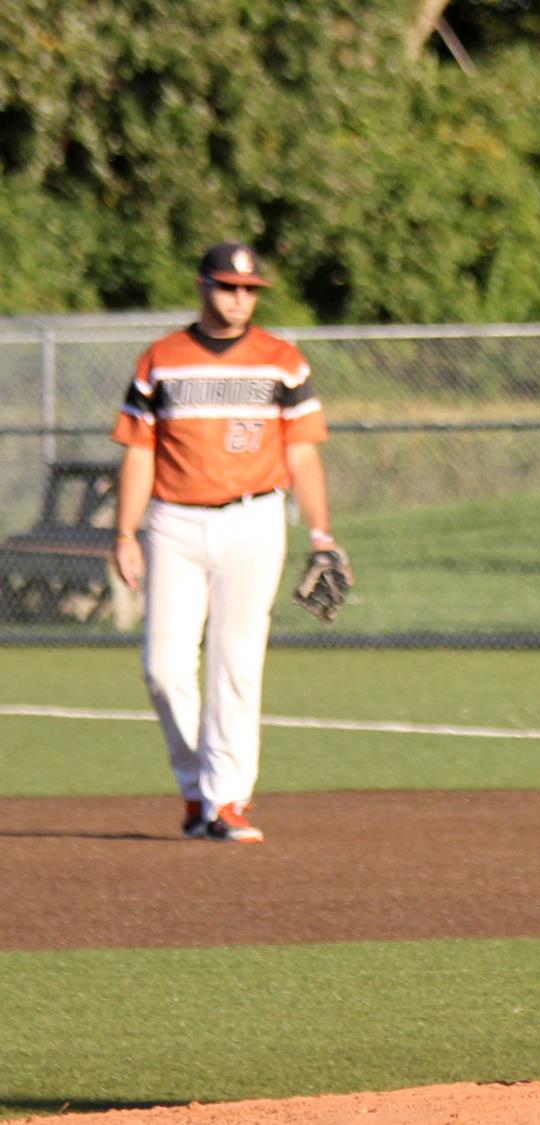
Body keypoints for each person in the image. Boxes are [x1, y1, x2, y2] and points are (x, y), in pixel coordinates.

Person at [110, 241, 341, 845]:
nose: (238, 298)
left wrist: (321, 534)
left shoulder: (281, 360)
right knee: (163, 668)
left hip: (253, 521)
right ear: (202, 285)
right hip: (174, 522)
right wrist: (124, 532)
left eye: (248, 289)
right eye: (226, 286)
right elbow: (139, 451)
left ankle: (228, 798)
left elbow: (302, 452)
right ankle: (195, 788)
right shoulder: (162, 359)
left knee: (236, 664)